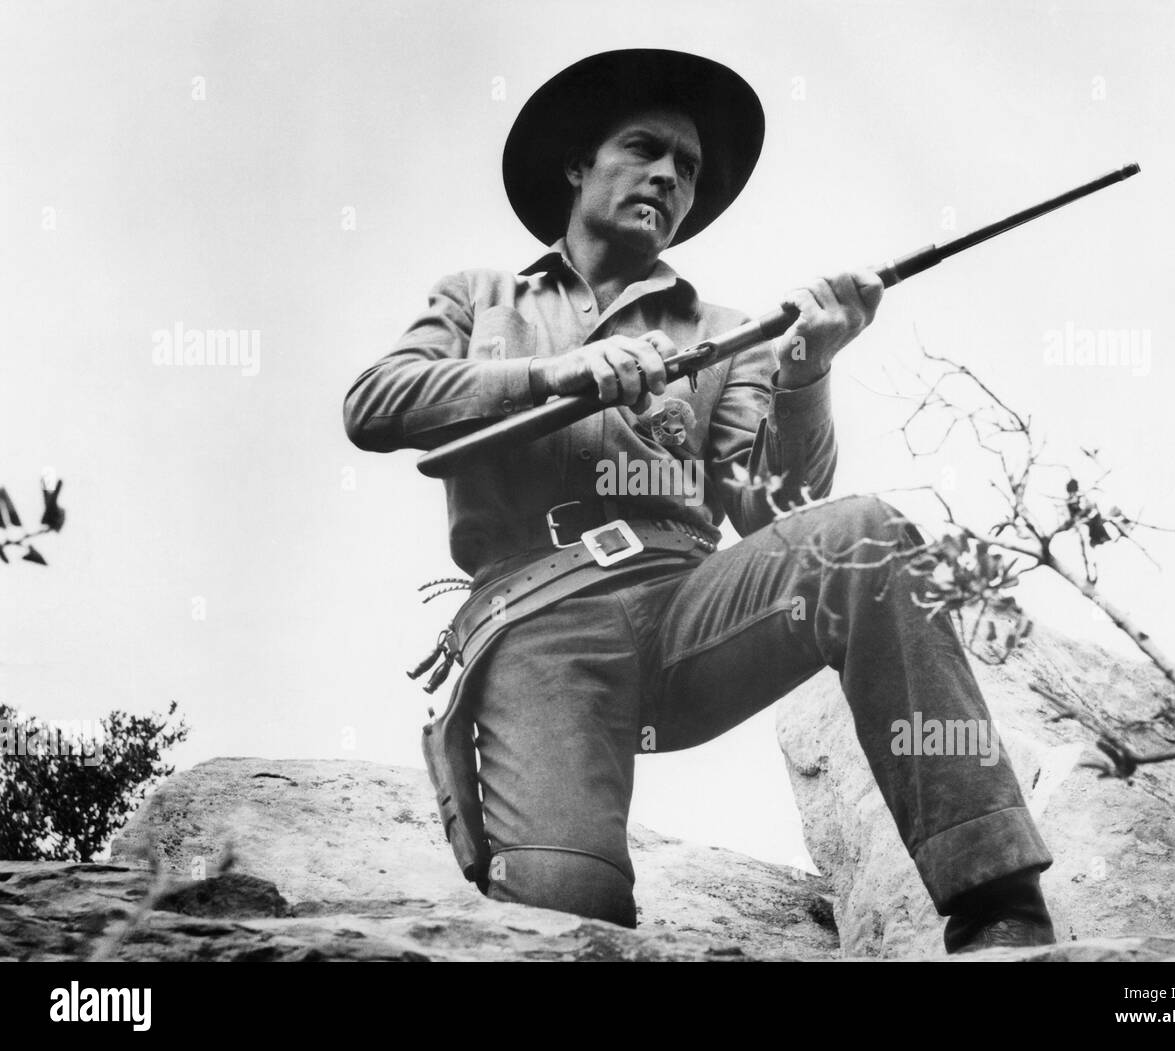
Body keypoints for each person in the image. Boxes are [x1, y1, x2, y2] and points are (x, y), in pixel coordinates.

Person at [343, 48, 1055, 952]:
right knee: (565, 919)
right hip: (536, 625)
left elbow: (775, 506)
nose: (671, 175)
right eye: (646, 149)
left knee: (862, 538)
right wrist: (552, 374)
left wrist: (807, 372)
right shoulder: (482, 300)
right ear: (577, 166)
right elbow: (374, 406)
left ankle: (1000, 907)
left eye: (687, 168)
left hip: (687, 607)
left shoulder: (726, 334)